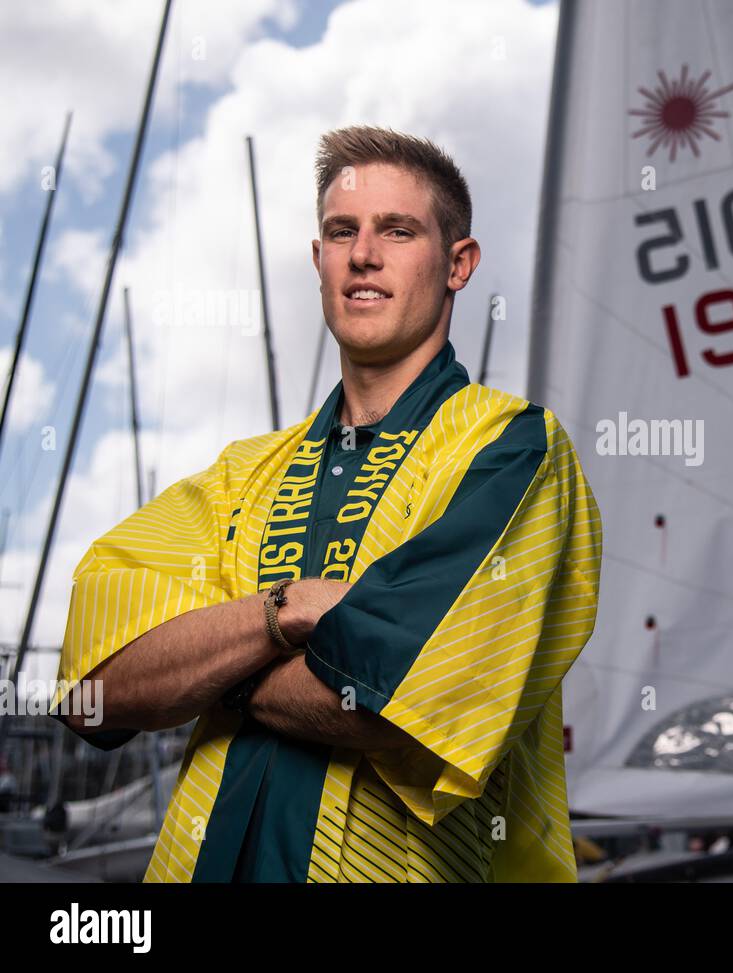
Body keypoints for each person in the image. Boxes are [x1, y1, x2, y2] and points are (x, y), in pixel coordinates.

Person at [49, 125, 602, 882]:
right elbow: (92, 691)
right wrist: (287, 611)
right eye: (342, 231)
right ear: (319, 260)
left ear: (458, 264)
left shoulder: (509, 450)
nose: (363, 254)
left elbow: (387, 699)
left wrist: (205, 663)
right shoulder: (241, 474)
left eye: (398, 231)